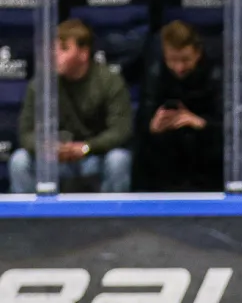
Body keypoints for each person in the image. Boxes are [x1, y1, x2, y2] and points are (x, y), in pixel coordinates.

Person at [9, 19, 133, 194]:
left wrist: (86, 147)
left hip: (93, 157)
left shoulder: (109, 81)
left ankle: (114, 220)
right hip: (54, 161)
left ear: (83, 53)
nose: (55, 55)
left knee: (118, 159)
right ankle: (29, 220)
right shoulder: (41, 84)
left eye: (64, 49)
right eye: (54, 49)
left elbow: (121, 130)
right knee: (19, 161)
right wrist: (47, 148)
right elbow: (25, 133)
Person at [136, 20, 221, 193]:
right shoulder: (155, 74)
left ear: (197, 53)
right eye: (172, 60)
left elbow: (230, 128)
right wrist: (152, 126)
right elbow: (141, 122)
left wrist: (200, 123)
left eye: (185, 60)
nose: (179, 67)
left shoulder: (215, 75)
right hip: (166, 158)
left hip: (205, 159)